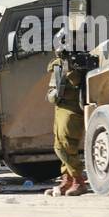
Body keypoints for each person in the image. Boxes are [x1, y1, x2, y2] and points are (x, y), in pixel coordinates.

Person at [47, 50, 88, 195]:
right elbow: (53, 88)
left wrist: (72, 68)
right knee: (59, 144)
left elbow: (80, 83)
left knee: (66, 145)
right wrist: (54, 94)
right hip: (61, 106)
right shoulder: (58, 63)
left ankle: (79, 180)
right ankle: (68, 179)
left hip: (73, 107)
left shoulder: (82, 61)